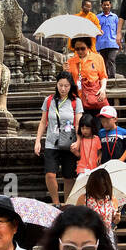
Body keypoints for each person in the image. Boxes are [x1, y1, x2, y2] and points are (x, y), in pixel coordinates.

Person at [33, 73, 82, 206]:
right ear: (56, 85)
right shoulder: (49, 100)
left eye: (66, 86)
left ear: (70, 86)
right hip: (51, 142)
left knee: (68, 177)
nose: (63, 88)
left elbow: (78, 123)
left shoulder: (75, 101)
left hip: (68, 143)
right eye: (60, 85)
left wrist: (78, 141)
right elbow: (43, 122)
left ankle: (67, 204)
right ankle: (56, 203)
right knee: (50, 174)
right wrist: (38, 141)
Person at [67, 36, 107, 112]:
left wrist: (103, 89)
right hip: (77, 98)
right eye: (77, 49)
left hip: (95, 96)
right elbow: (67, 81)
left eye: (83, 48)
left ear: (88, 47)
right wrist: (65, 71)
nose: (80, 51)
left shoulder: (97, 58)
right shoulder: (71, 61)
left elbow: (103, 76)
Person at [82, 167, 122, 235]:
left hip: (107, 235)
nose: (103, 188)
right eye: (100, 186)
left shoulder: (112, 199)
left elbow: (114, 221)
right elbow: (77, 218)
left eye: (104, 185)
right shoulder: (84, 199)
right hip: (90, 235)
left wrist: (117, 219)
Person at [95, 0, 120, 77]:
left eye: (107, 5)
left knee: (111, 59)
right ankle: (105, 77)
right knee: (104, 61)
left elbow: (118, 30)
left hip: (113, 43)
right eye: (104, 5)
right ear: (101, 6)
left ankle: (112, 77)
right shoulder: (97, 17)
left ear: (110, 5)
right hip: (102, 43)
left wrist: (120, 42)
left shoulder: (115, 17)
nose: (106, 6)